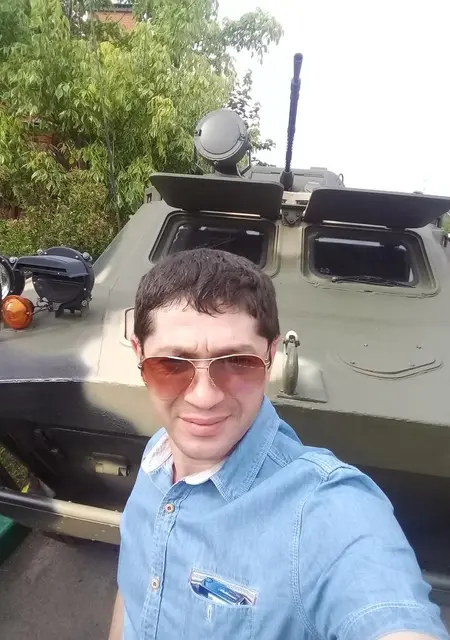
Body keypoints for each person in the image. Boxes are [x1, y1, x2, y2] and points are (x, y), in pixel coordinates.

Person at [109, 248, 448, 640]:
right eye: (171, 364)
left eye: (237, 362)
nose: (203, 397)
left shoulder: (325, 511)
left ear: (271, 356)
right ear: (139, 354)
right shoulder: (158, 452)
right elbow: (134, 590)